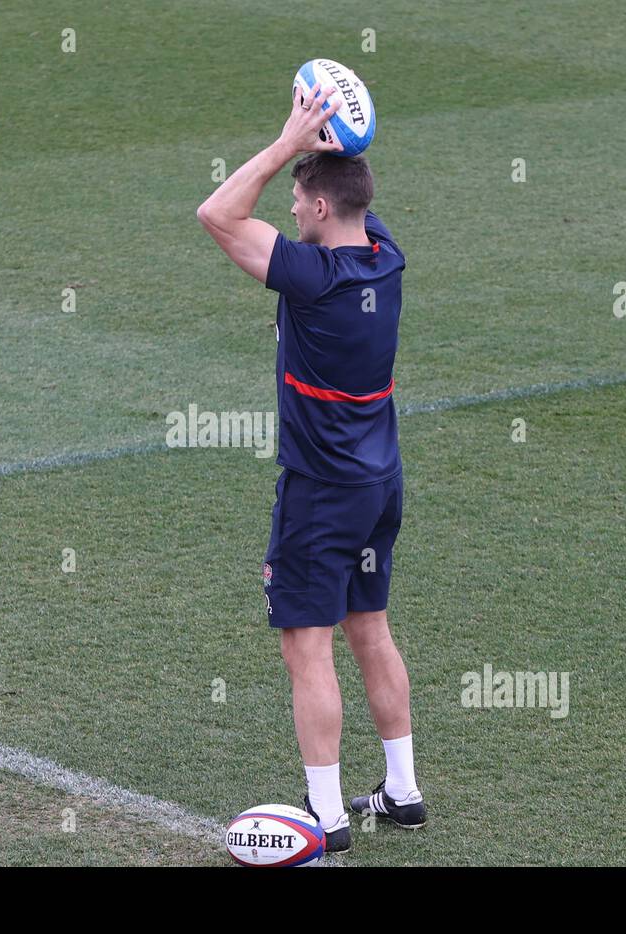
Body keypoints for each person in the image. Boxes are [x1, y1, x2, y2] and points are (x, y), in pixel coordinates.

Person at [197, 84, 425, 853]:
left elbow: (217, 213)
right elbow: (350, 198)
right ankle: (401, 791)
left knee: (307, 646)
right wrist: (334, 145)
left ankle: (326, 815)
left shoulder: (313, 279)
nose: (292, 210)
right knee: (370, 628)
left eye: (299, 201)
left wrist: (291, 143)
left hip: (320, 492)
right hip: (379, 484)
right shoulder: (385, 259)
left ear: (320, 209)